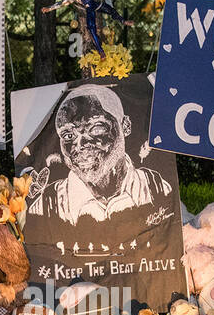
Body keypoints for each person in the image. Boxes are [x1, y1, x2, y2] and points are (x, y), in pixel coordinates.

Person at [27, 83, 173, 227]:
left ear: (125, 126)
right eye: (68, 135)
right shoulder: (44, 207)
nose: (80, 144)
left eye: (96, 128)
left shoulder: (156, 187)